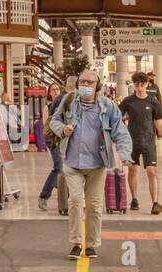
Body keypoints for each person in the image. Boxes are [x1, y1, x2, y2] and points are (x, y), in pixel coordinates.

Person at [49, 69, 132, 259]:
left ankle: (92, 244)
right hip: (72, 163)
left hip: (98, 164)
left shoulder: (107, 106)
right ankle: (77, 243)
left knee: (94, 206)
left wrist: (125, 154)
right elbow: (54, 121)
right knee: (76, 201)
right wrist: (63, 130)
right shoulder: (69, 102)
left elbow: (120, 131)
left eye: (90, 83)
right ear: (78, 84)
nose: (86, 86)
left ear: (98, 86)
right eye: (83, 82)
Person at [120, 72, 162, 214]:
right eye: (136, 83)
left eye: (142, 83)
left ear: (147, 84)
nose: (139, 86)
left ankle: (155, 203)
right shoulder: (127, 101)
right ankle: (135, 199)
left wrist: (161, 132)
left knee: (152, 171)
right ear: (134, 84)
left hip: (149, 141)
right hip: (132, 141)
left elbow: (158, 120)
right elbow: (117, 116)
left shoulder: (154, 102)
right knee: (133, 170)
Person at [38, 82, 66, 208]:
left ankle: (60, 187)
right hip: (52, 140)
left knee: (65, 169)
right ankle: (44, 196)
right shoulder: (47, 107)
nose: (55, 91)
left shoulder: (64, 104)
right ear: (49, 93)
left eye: (57, 89)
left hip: (64, 139)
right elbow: (46, 124)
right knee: (58, 166)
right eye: (53, 90)